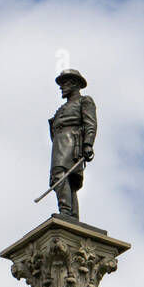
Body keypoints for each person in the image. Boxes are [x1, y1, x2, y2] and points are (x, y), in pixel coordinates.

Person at [48, 69, 96, 220]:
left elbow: (90, 124)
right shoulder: (62, 108)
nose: (61, 87)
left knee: (60, 173)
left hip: (71, 141)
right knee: (66, 179)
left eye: (65, 83)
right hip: (59, 142)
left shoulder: (85, 101)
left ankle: (66, 211)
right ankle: (71, 214)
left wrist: (88, 144)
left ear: (75, 84)